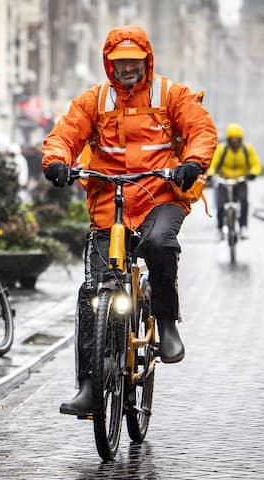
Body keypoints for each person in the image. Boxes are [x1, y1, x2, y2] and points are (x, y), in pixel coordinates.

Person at [41, 25, 217, 415]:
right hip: (110, 199)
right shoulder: (94, 100)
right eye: (120, 62)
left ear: (146, 61)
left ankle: (166, 323)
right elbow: (64, 134)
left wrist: (192, 162)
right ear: (110, 64)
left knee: (159, 245)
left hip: (161, 195)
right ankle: (90, 386)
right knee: (93, 293)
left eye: (134, 61)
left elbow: (200, 129)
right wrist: (56, 162)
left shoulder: (171, 94)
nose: (128, 68)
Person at [207, 123, 261, 240]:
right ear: (228, 139)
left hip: (240, 181)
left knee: (244, 202)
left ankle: (243, 227)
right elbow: (213, 164)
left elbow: (255, 164)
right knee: (220, 205)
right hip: (224, 181)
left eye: (237, 139)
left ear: (241, 139)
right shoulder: (221, 149)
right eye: (232, 139)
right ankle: (220, 229)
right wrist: (210, 174)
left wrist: (253, 173)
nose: (235, 141)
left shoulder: (247, 149)